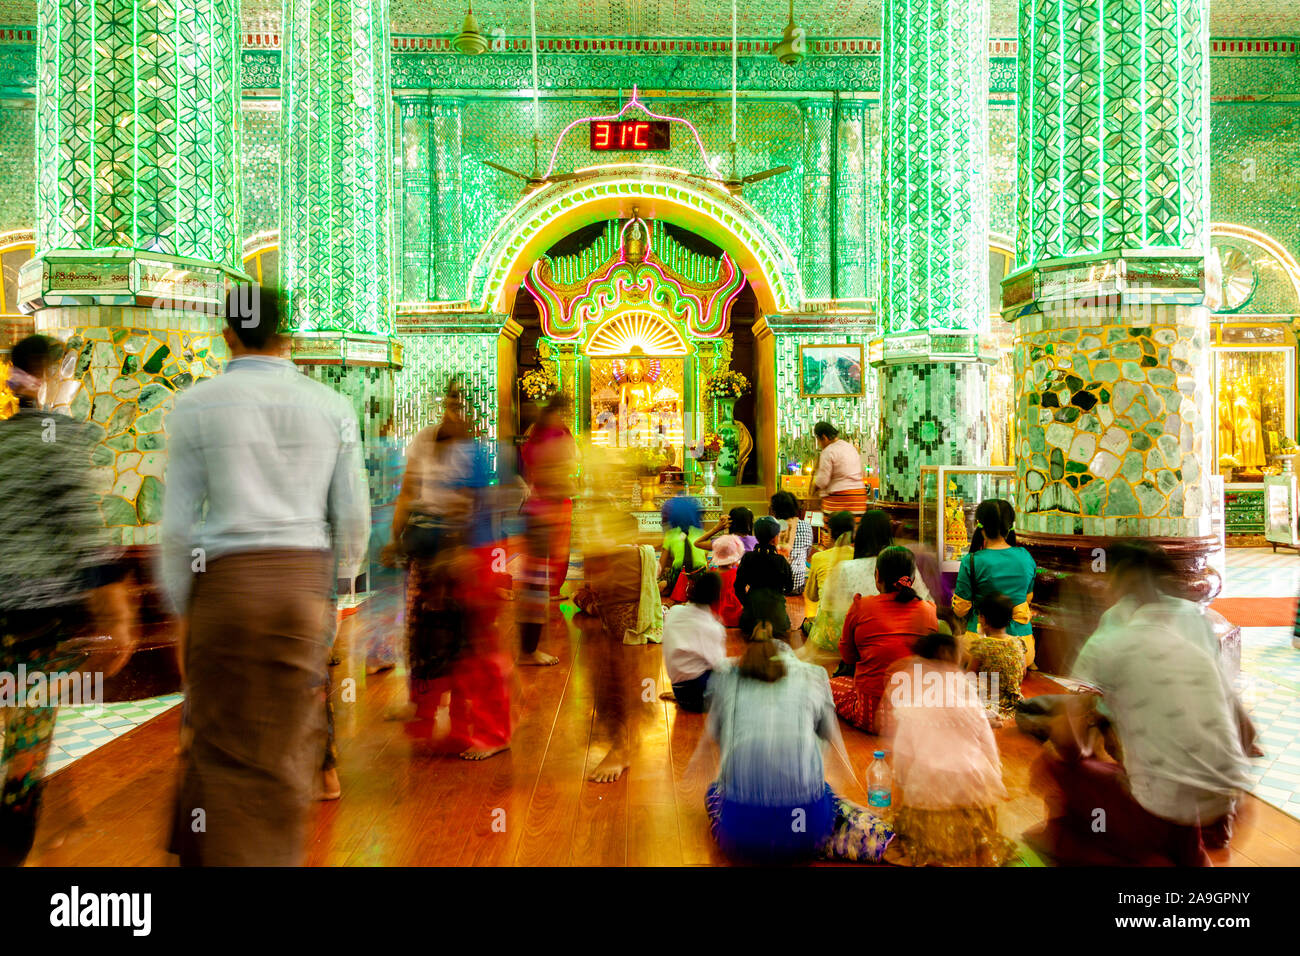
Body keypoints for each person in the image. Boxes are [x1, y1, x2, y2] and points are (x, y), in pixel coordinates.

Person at [161, 285, 370, 866]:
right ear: (287, 335)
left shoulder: (197, 405)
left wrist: (187, 609)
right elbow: (352, 516)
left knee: (221, 740)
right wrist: (337, 589)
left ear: (227, 335)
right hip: (302, 584)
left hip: (224, 585)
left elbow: (177, 527)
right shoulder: (330, 405)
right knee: (286, 738)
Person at [0, 335, 135, 865]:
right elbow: (83, 528)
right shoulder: (62, 438)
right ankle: (13, 848)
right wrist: (117, 613)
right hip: (35, 617)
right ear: (55, 374)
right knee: (26, 741)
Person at [1031, 541, 1251, 866]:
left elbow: (1068, 739)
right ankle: (1196, 839)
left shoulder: (1111, 635)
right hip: (1227, 802)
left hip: (1161, 803)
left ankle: (1134, 847)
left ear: (1119, 580)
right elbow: (1241, 725)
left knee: (1058, 767)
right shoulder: (1196, 617)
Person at [702, 620, 895, 864]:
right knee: (824, 792)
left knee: (715, 791)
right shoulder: (813, 674)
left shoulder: (726, 675)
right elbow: (827, 737)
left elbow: (720, 739)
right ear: (790, 643)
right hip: (805, 833)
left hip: (739, 840)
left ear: (745, 644)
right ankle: (857, 836)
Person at [883, 630, 1018, 866]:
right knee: (980, 825)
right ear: (949, 657)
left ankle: (933, 845)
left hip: (927, 788)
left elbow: (904, 754)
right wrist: (995, 775)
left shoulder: (913, 701)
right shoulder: (968, 696)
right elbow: (987, 742)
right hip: (970, 785)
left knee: (909, 817)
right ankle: (972, 847)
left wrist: (903, 785)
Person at [572, 510, 662, 782]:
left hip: (612, 621)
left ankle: (622, 745)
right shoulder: (643, 553)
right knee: (618, 674)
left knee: (619, 676)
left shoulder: (609, 553)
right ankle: (624, 740)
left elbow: (589, 585)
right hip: (628, 620)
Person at [803, 510, 931, 670]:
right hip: (906, 657)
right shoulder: (904, 564)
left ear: (878, 578)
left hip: (861, 656)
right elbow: (927, 603)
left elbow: (831, 617)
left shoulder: (847, 572)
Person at [831, 546, 938, 733]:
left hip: (872, 716)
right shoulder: (928, 611)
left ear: (877, 576)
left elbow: (848, 657)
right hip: (916, 716)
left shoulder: (861, 606)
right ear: (912, 579)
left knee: (827, 685)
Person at [518, 394, 578, 666]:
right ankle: (528, 650)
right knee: (535, 584)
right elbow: (555, 478)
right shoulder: (554, 437)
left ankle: (528, 648)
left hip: (537, 513)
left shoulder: (537, 436)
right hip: (544, 516)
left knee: (535, 583)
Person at [952, 499, 1037, 668]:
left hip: (980, 648)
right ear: (1009, 525)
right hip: (1023, 650)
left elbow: (961, 610)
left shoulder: (972, 560)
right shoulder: (1026, 556)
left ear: (979, 525)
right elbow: (1027, 599)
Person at [661, 572, 727, 712]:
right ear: (716, 597)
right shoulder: (712, 627)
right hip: (698, 698)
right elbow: (719, 665)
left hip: (679, 689)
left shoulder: (674, 612)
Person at [962, 593, 1026, 721]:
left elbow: (969, 677)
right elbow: (1022, 672)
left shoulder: (982, 645)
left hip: (990, 705)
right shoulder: (1019, 642)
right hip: (1015, 706)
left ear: (984, 619)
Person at [733, 515, 792, 638]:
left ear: (757, 537)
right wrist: (777, 596)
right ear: (775, 539)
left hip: (751, 620)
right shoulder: (780, 560)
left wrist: (748, 602)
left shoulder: (748, 558)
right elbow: (789, 587)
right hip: (777, 620)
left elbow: (738, 587)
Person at [803, 509, 855, 625]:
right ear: (853, 533)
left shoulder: (819, 558)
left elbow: (812, 596)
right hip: (854, 627)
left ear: (830, 532)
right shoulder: (858, 556)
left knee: (807, 622)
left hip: (826, 630)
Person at [810, 422, 866, 522]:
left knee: (834, 532)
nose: (819, 445)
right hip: (859, 498)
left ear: (824, 437)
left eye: (818, 441)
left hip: (839, 499)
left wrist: (814, 487)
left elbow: (823, 480)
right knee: (852, 531)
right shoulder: (850, 447)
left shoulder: (828, 451)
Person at [660, 495, 708, 603]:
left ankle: (671, 588)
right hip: (700, 574)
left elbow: (661, 565)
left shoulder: (671, 535)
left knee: (660, 584)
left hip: (678, 574)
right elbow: (705, 560)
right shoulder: (702, 534)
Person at [770, 490, 812, 593]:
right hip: (797, 584)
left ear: (774, 509)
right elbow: (807, 552)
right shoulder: (806, 526)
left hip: (774, 586)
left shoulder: (771, 525)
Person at [692, 506, 756, 554]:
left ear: (730, 522)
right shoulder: (756, 541)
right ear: (750, 524)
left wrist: (717, 528)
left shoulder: (724, 542)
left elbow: (697, 543)